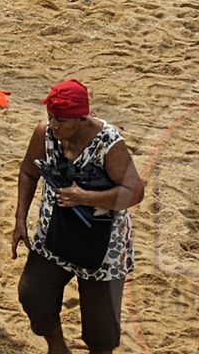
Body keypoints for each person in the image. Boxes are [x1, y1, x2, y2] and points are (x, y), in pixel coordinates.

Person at [12, 80, 144, 354]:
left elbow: (134, 192)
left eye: (61, 120)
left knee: (101, 330)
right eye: (51, 117)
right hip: (55, 233)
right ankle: (58, 348)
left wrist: (85, 197)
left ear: (82, 118)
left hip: (103, 244)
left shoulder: (109, 143)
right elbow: (28, 171)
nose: (54, 125)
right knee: (33, 294)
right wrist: (20, 218)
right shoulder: (45, 134)